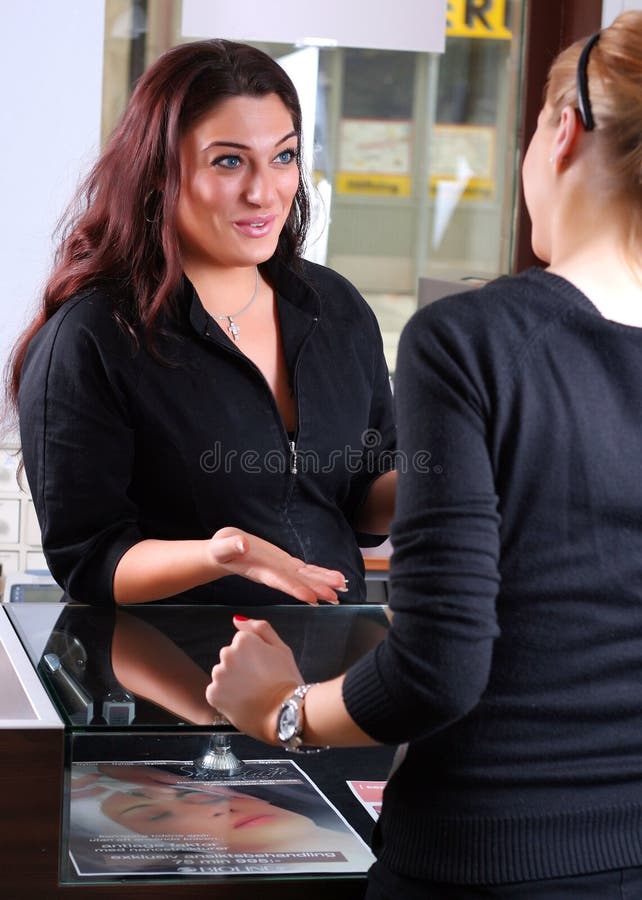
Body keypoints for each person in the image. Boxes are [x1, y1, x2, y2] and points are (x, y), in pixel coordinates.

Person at [206, 12, 642, 898]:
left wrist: (282, 711)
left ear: (562, 131)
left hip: (487, 863)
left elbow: (437, 669)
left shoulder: (473, 340)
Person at [7, 40, 396, 608]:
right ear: (160, 173)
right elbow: (90, 560)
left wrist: (450, 476)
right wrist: (222, 553)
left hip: (327, 674)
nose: (264, 192)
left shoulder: (334, 306)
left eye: (283, 156)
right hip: (167, 674)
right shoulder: (95, 336)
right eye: (229, 161)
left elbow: (364, 496)